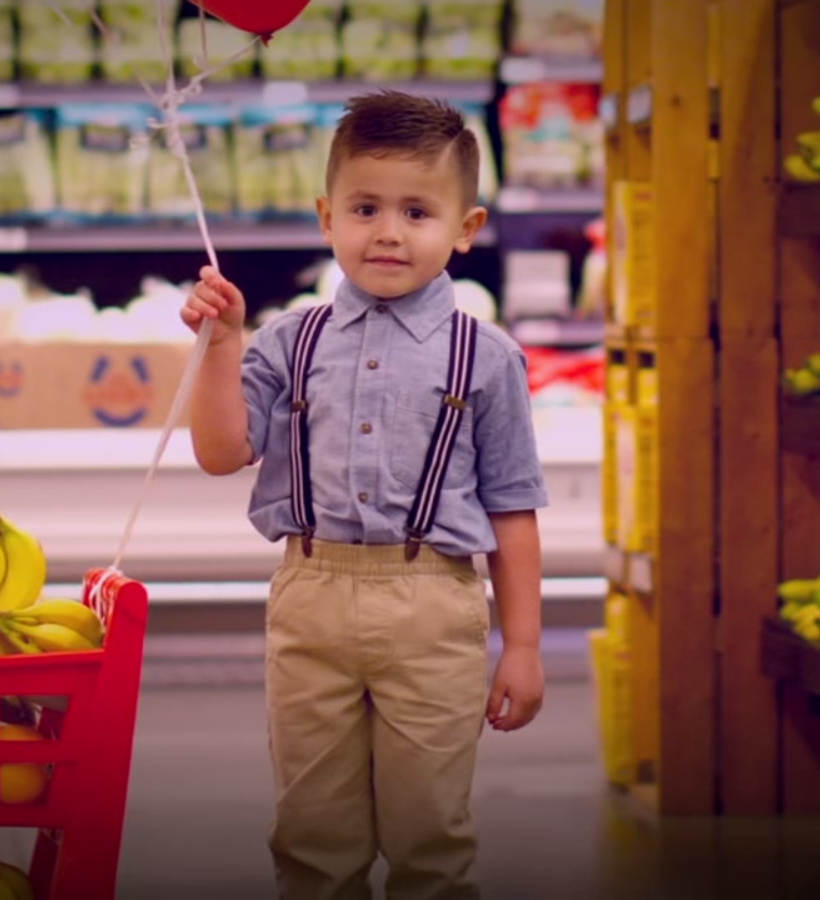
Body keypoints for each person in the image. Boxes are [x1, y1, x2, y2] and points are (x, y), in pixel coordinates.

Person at [180, 90, 548, 900]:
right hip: (310, 594)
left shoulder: (487, 360)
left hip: (437, 603)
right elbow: (220, 453)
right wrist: (221, 346)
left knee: (431, 836)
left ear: (466, 228)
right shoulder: (286, 342)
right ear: (326, 216)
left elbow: (512, 509)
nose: (387, 231)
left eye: (417, 211)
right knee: (313, 834)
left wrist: (522, 644)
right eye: (365, 207)